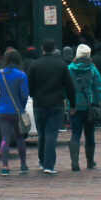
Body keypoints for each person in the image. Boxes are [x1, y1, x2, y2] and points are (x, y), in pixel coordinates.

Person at [27, 38, 76, 175]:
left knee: (42, 134)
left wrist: (34, 95)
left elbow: (29, 86)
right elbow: (69, 86)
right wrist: (72, 104)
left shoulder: (35, 65)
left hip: (39, 103)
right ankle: (49, 164)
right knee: (51, 134)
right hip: (56, 103)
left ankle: (42, 161)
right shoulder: (61, 65)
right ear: (54, 49)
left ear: (42, 48)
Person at [68, 44, 101, 171]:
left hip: (75, 105)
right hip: (90, 105)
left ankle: (74, 162)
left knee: (75, 133)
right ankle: (90, 161)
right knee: (90, 133)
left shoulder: (69, 69)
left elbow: (66, 88)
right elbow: (99, 89)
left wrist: (69, 103)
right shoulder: (92, 69)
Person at [0, 48, 30, 176]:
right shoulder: (21, 75)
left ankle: (5, 166)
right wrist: (21, 107)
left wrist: (0, 101)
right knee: (19, 138)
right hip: (17, 110)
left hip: (3, 110)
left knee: (5, 139)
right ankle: (23, 164)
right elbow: (24, 95)